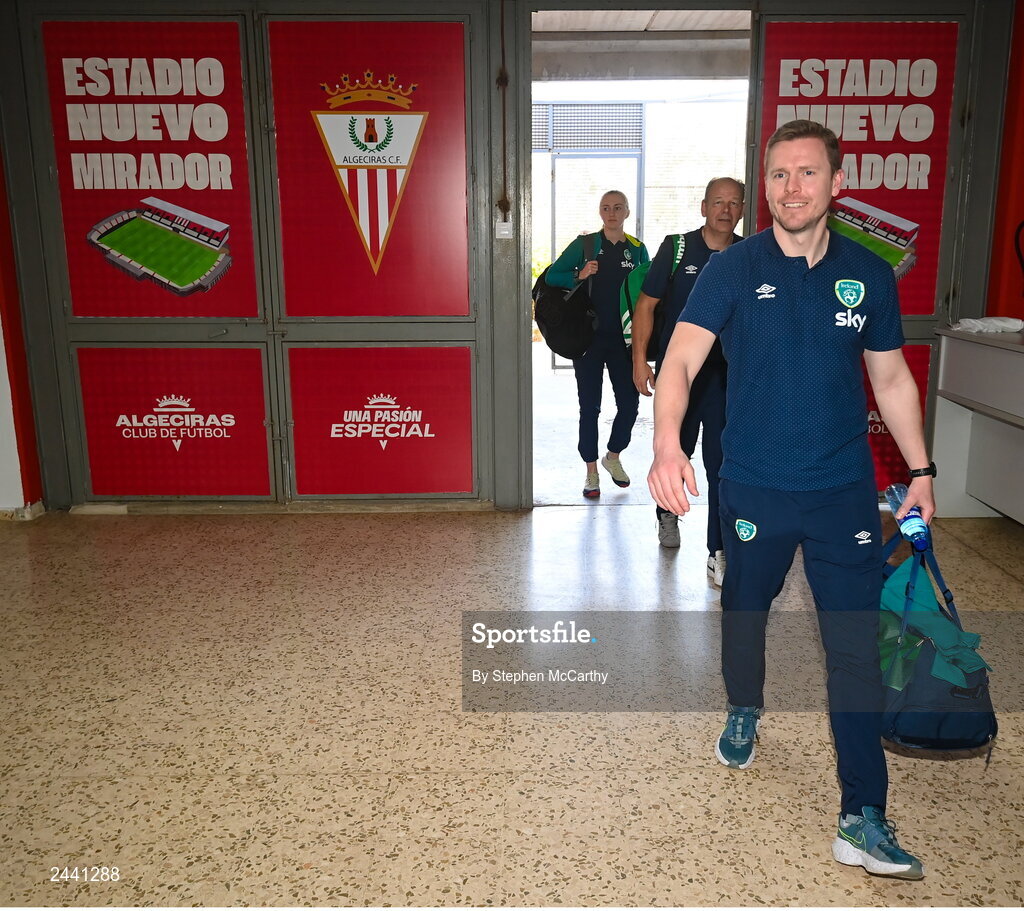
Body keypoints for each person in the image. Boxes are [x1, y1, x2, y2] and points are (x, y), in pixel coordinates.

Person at [648, 120, 935, 880]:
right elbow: (680, 359)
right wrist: (667, 443)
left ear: (836, 183)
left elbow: (893, 379)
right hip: (754, 484)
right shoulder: (733, 270)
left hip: (842, 490)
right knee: (746, 608)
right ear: (763, 183)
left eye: (807, 173)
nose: (791, 188)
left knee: (853, 645)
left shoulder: (869, 275)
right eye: (778, 175)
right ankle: (745, 703)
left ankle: (862, 812)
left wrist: (923, 470)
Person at [631, 177, 744, 585]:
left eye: (734, 203)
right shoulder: (677, 248)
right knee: (676, 449)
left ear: (743, 209)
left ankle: (718, 550)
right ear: (704, 207)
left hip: (725, 379)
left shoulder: (748, 256)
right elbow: (646, 306)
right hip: (680, 375)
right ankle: (667, 511)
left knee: (720, 464)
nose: (725, 210)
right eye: (718, 202)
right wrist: (640, 361)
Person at [548, 191, 649, 498]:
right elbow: (553, 276)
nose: (612, 212)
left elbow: (647, 297)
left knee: (630, 405)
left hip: (624, 342)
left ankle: (613, 457)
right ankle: (591, 472)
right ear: (600, 212)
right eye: (606, 208)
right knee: (589, 408)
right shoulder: (586, 244)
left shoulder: (638, 249)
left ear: (628, 212)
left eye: (618, 207)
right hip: (589, 340)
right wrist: (580, 273)